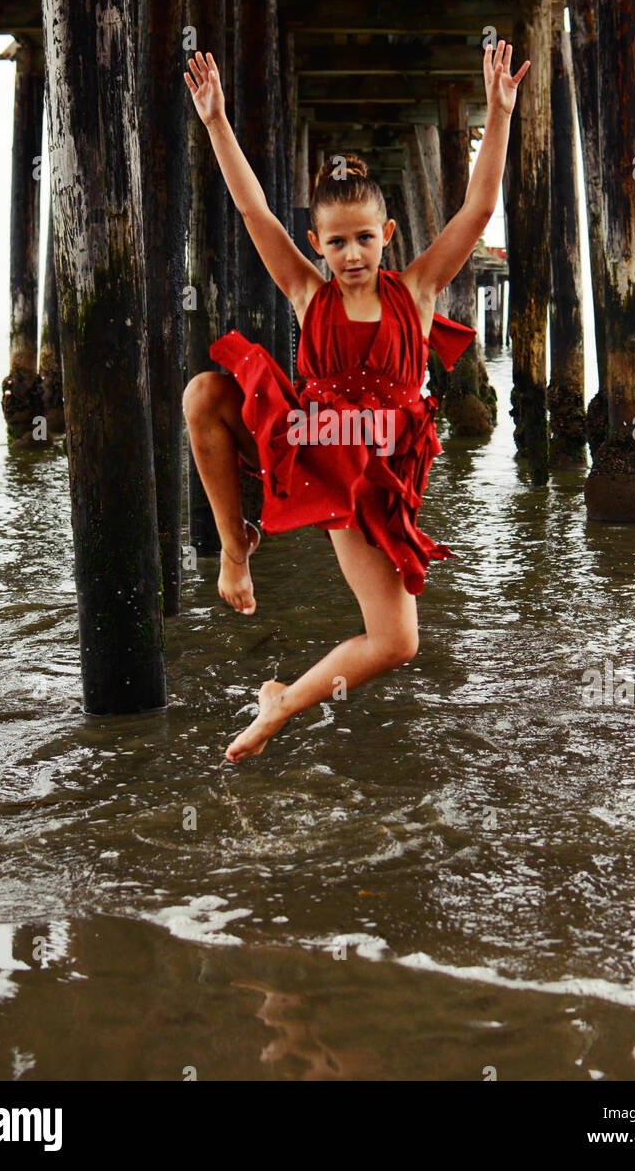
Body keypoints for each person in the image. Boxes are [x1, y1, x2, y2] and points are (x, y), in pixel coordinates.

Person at [182, 42, 530, 762]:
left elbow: (479, 205)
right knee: (204, 392)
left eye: (364, 239)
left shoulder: (420, 289)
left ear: (387, 237)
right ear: (317, 244)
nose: (351, 255)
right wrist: (216, 121)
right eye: (336, 242)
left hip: (374, 479)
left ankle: (281, 700)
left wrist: (496, 112)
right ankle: (233, 549)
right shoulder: (309, 293)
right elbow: (251, 211)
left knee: (396, 642)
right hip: (314, 450)